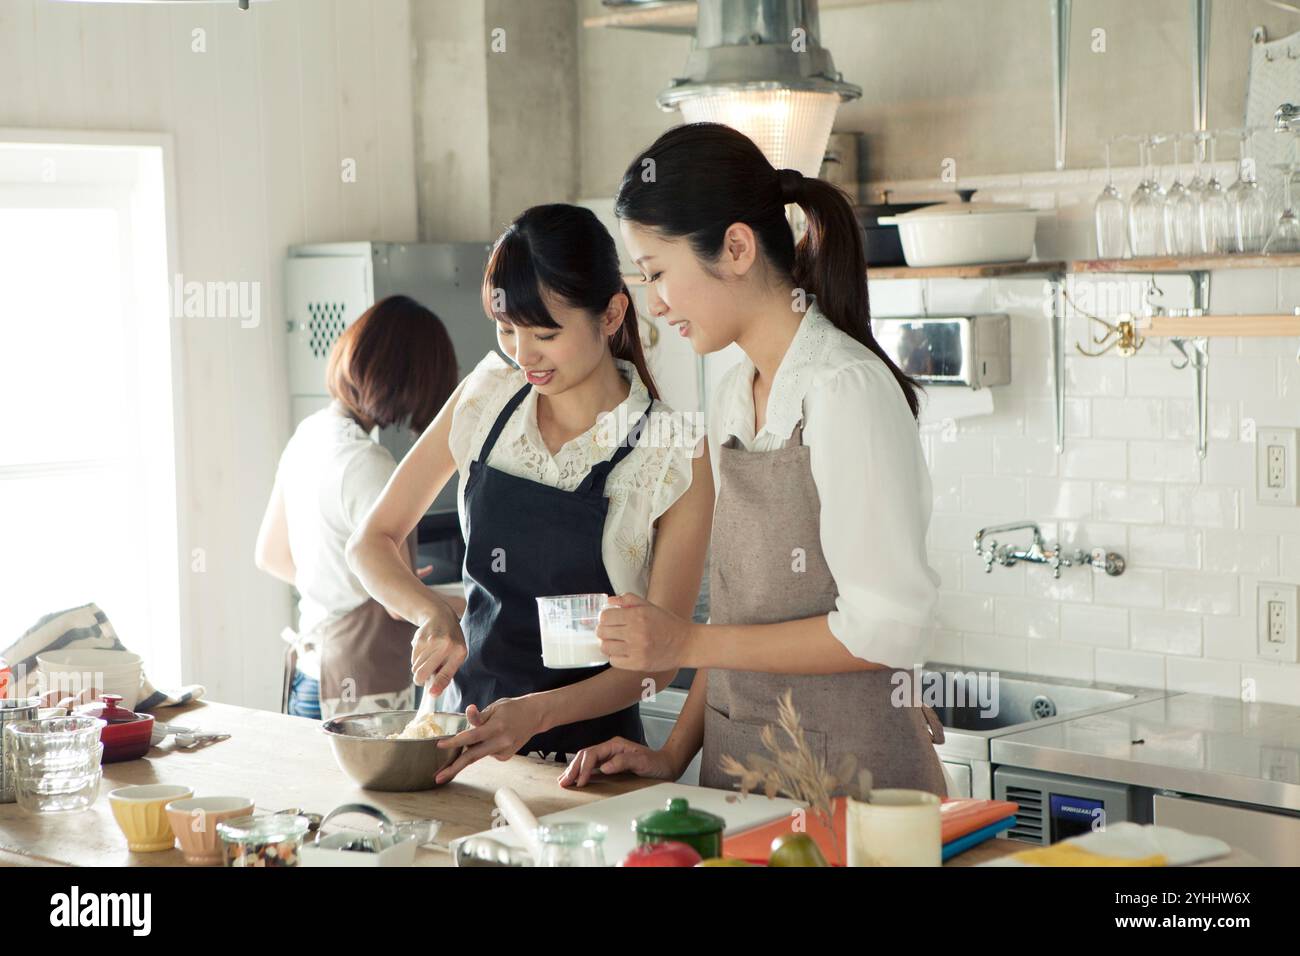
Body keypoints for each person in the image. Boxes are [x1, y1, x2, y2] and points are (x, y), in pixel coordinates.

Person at [560, 123, 948, 797]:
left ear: (736, 248)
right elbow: (739, 617)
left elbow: (884, 629)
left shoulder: (843, 389)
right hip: (741, 791)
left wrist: (684, 643)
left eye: (657, 272)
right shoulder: (738, 392)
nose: (652, 302)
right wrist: (673, 753)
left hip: (857, 798)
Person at [346, 203, 713, 784]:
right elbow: (371, 541)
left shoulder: (673, 448)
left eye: (546, 333)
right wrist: (433, 613)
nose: (522, 354)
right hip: (459, 752)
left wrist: (537, 713)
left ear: (613, 313)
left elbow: (659, 659)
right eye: (507, 328)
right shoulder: (486, 399)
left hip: (590, 771)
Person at [255, 295, 457, 720]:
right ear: (410, 383)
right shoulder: (370, 464)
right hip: (355, 684)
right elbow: (398, 605)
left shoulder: (309, 436)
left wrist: (348, 581)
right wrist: (483, 605)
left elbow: (271, 555)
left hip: (309, 673)